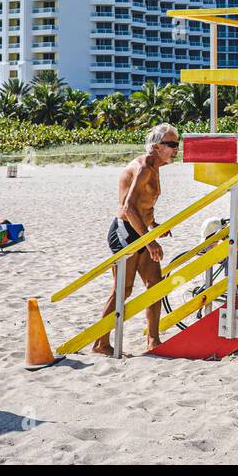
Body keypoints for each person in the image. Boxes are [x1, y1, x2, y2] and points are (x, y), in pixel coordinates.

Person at [93, 123, 180, 355]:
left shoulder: (155, 167)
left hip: (141, 230)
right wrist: (150, 241)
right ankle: (100, 343)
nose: (176, 148)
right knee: (123, 290)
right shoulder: (142, 168)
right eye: (171, 144)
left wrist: (153, 226)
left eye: (177, 144)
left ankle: (153, 340)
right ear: (156, 146)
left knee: (155, 286)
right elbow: (129, 207)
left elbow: (145, 205)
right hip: (124, 231)